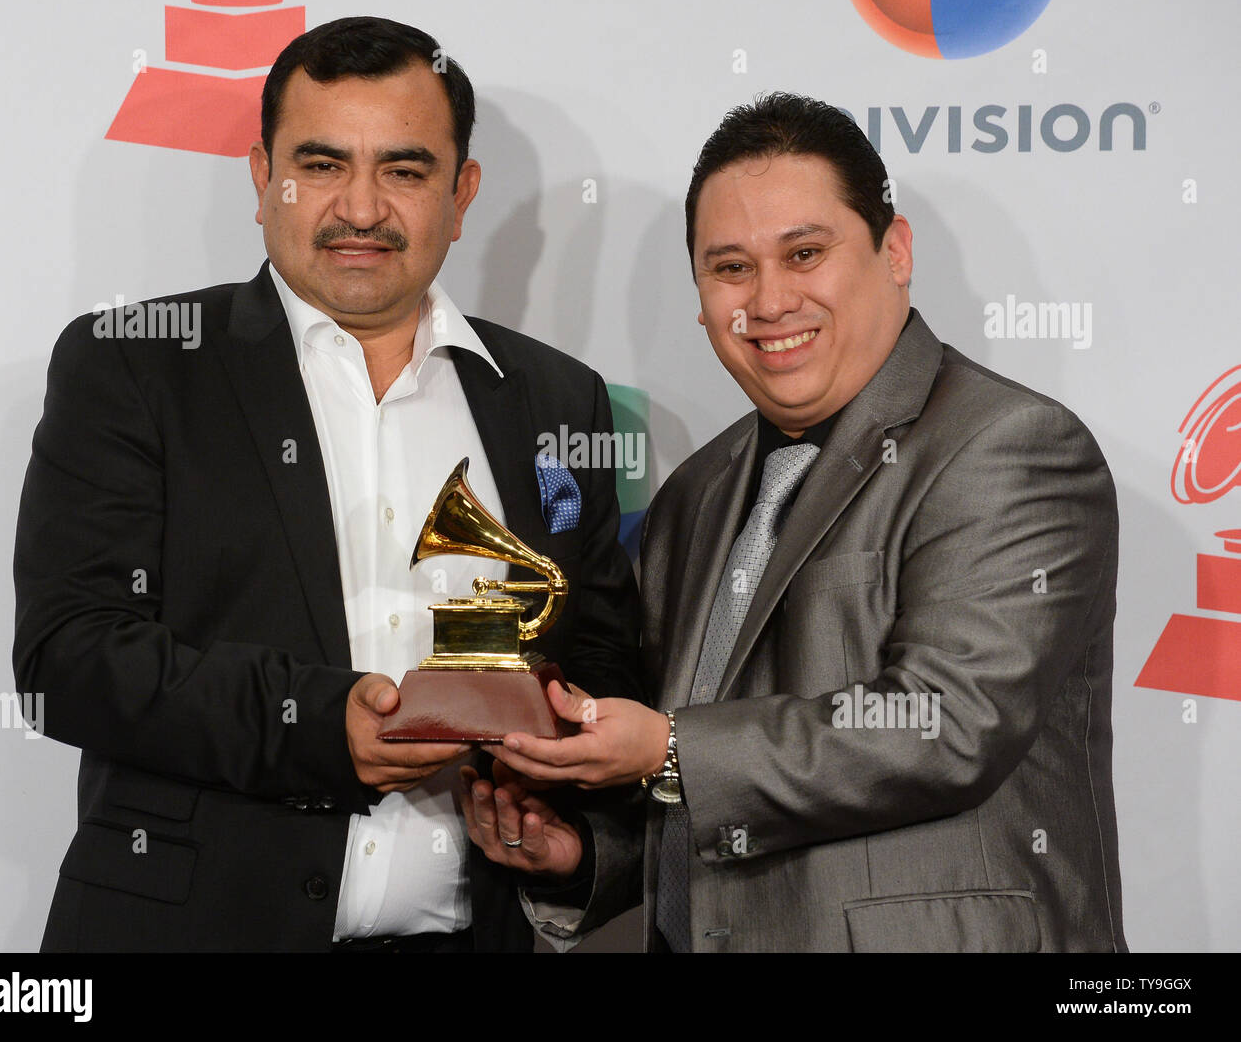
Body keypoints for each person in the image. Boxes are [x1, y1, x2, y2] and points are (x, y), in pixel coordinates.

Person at [12, 16, 639, 953]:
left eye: (405, 169)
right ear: (264, 179)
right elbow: (67, 661)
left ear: (461, 194)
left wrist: (568, 828)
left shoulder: (557, 398)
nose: (360, 208)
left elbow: (606, 669)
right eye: (322, 164)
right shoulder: (136, 365)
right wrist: (314, 725)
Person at [462, 92, 1127, 953]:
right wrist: (587, 856)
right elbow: (708, 784)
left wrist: (665, 750)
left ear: (895, 251)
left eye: (805, 253)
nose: (769, 301)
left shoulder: (1010, 447)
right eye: (730, 267)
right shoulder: (695, 497)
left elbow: (946, 724)